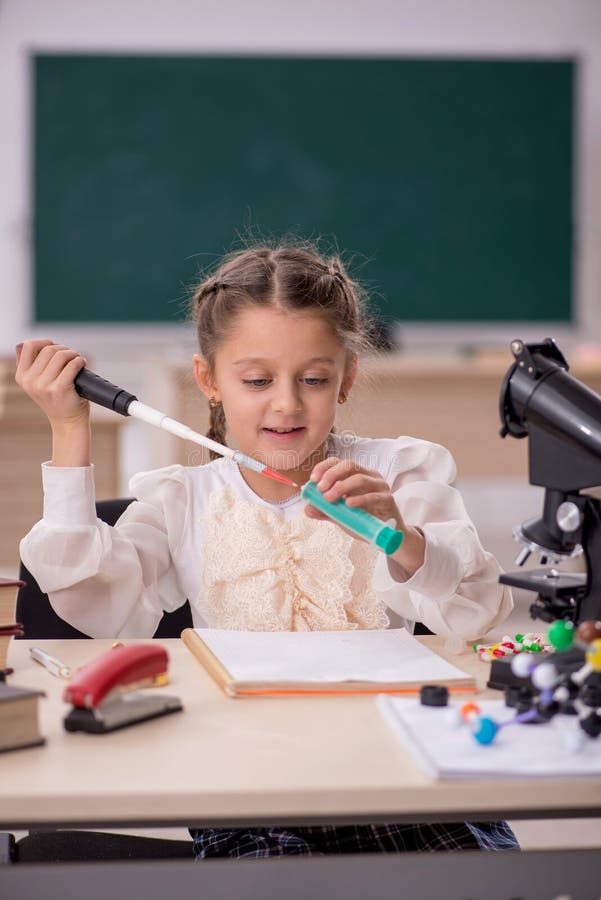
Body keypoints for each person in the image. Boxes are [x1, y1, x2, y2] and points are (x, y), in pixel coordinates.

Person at [16, 241, 517, 858]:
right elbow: (86, 599)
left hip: (392, 775)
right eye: (257, 380)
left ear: (347, 379)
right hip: (246, 790)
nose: (286, 403)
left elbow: (480, 610)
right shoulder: (183, 500)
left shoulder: (400, 472)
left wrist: (401, 536)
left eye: (314, 379)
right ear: (210, 380)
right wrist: (70, 427)